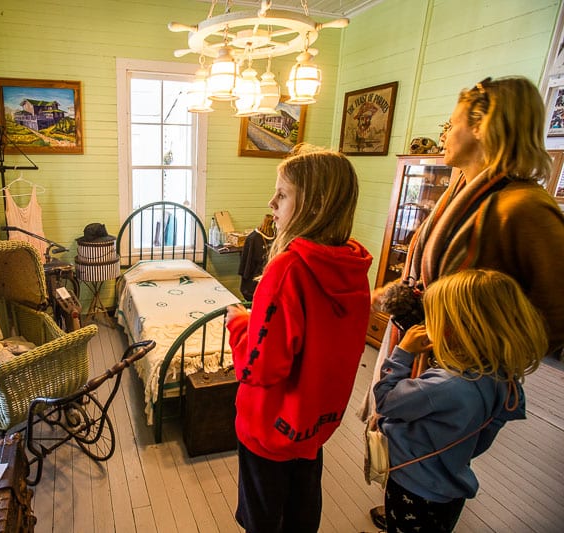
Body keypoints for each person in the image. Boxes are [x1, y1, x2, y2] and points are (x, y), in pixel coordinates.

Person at [362, 75, 564, 529]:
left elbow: (555, 312)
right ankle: (406, 498)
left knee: (431, 437)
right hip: (425, 344)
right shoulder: (459, 191)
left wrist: (488, 349)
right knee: (408, 433)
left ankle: (419, 505)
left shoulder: (523, 208)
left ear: (481, 126)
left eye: (450, 123)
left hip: (456, 364)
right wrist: (394, 299)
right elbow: (427, 275)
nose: (444, 133)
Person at [225, 150, 373, 532]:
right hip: (313, 426)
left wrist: (240, 324)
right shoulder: (351, 267)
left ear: (315, 204)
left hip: (269, 428)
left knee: (262, 519)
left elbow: (259, 368)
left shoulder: (288, 269)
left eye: (282, 194)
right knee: (301, 513)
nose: (271, 204)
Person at [373, 269, 548, 532]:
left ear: (456, 327)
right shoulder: (503, 381)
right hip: (449, 488)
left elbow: (385, 400)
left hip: (413, 487)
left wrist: (403, 353)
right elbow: (481, 440)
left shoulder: (443, 385)